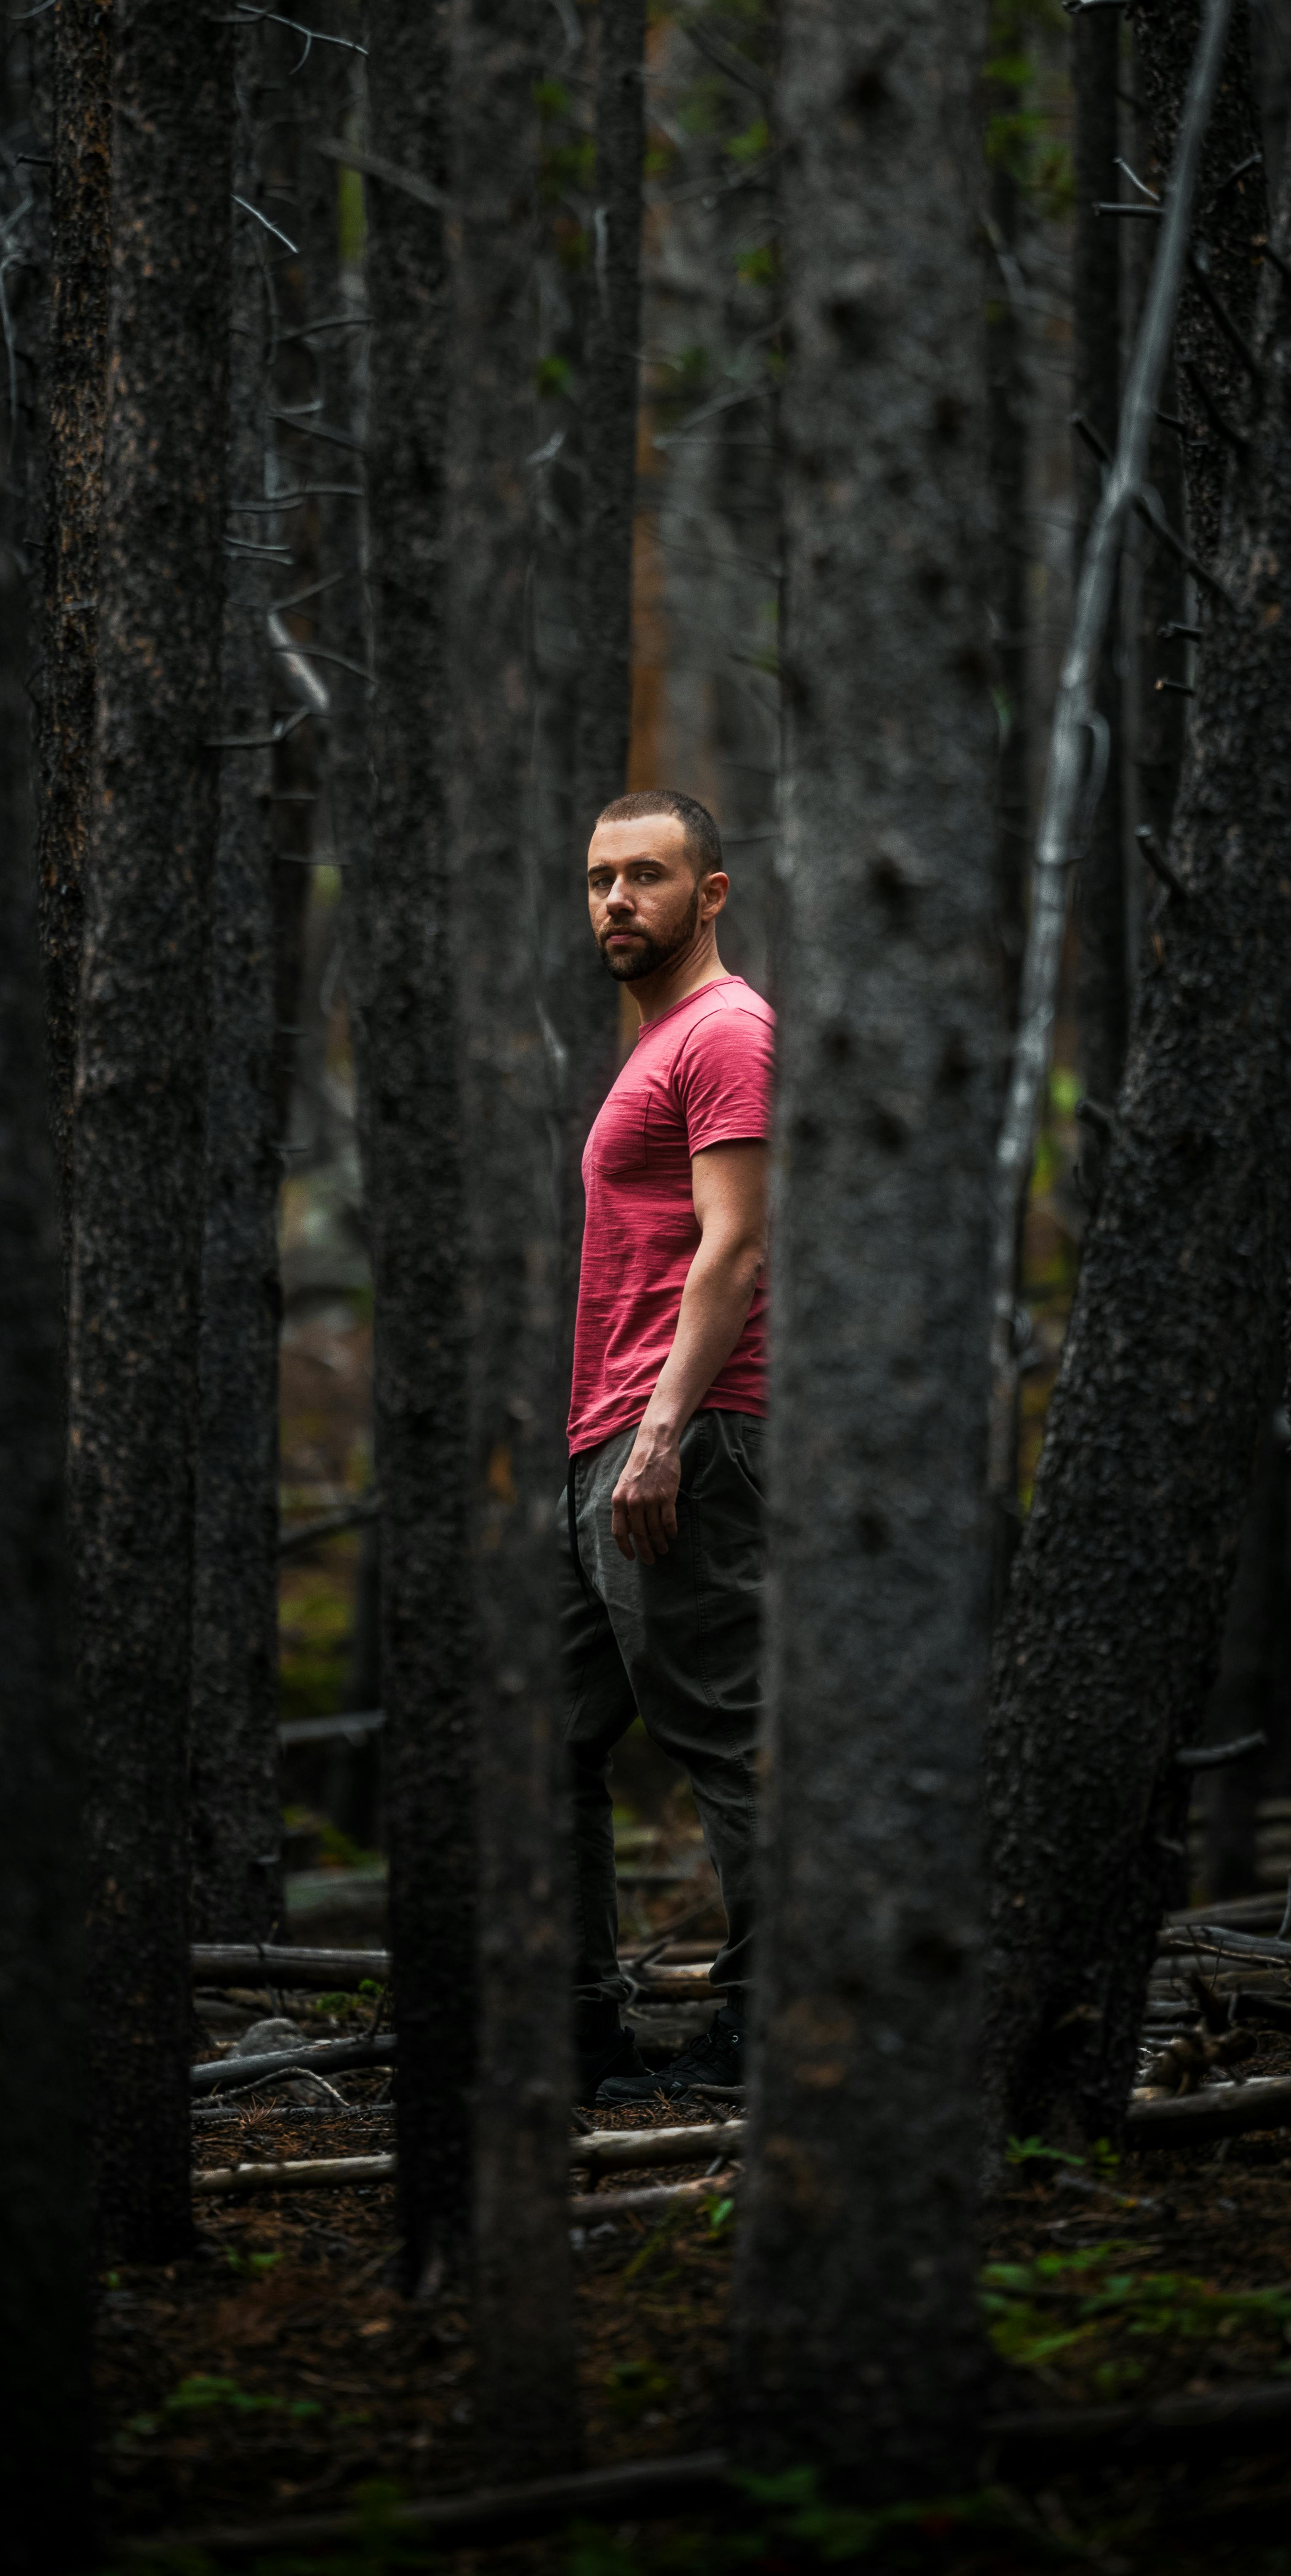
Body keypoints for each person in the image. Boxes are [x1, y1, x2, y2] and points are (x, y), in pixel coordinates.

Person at [561, 788, 771, 2105]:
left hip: (679, 1436)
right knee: (545, 1733)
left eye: (647, 875)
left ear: (712, 893)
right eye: (598, 879)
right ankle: (575, 2026)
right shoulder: (658, 1044)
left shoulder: (729, 1030)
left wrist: (660, 1434)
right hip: (611, 1441)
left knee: (727, 1732)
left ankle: (773, 2028)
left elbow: (737, 1245)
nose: (617, 899)